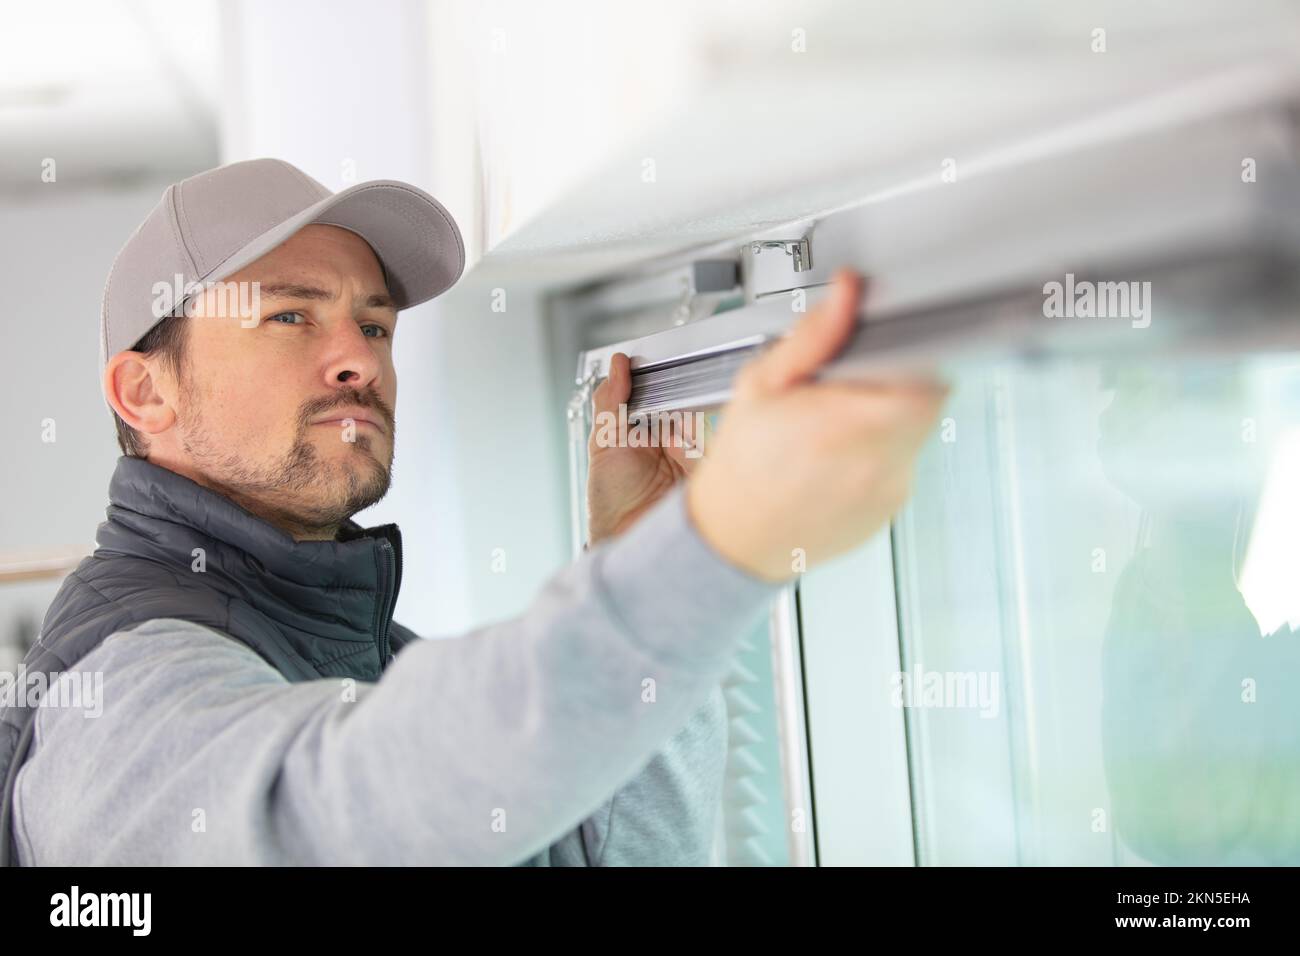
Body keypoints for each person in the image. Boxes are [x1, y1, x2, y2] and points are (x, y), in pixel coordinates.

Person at [0, 158, 945, 865]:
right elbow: (331, 816)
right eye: (290, 316)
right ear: (145, 393)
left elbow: (608, 855)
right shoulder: (119, 683)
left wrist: (638, 546)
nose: (359, 360)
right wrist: (707, 555)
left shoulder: (362, 648)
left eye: (373, 325)